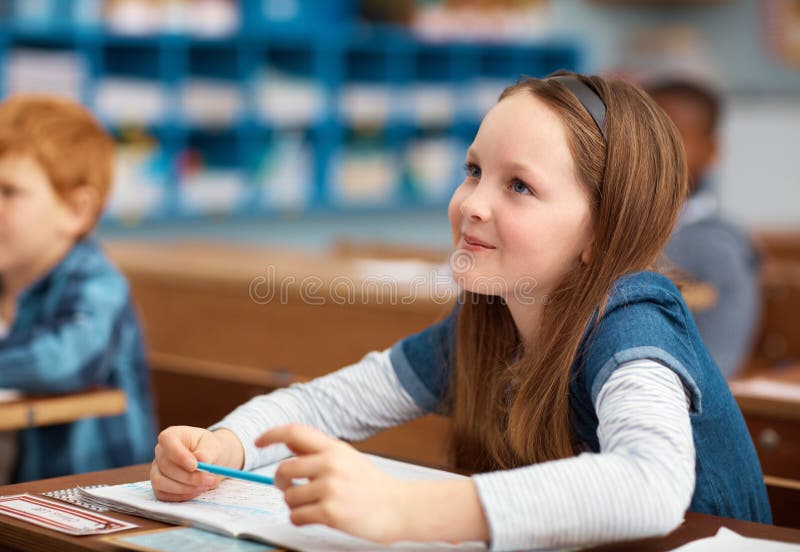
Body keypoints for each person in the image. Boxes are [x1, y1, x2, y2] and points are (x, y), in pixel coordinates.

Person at [150, 72, 770, 550]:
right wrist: (221, 448)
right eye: (473, 170)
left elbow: (649, 485)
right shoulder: (488, 320)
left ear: (602, 229)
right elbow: (324, 404)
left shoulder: (632, 321)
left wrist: (403, 509)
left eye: (519, 185)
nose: (472, 203)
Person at [0, 96, 157, 483]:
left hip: (99, 499)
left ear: (76, 211)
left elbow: (61, 361)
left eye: (8, 191)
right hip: (25, 496)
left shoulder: (98, 283)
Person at [648, 78, 761, 378]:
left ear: (711, 151)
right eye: (645, 133)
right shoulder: (609, 227)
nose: (656, 147)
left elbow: (719, 364)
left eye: (675, 134)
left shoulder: (716, 248)